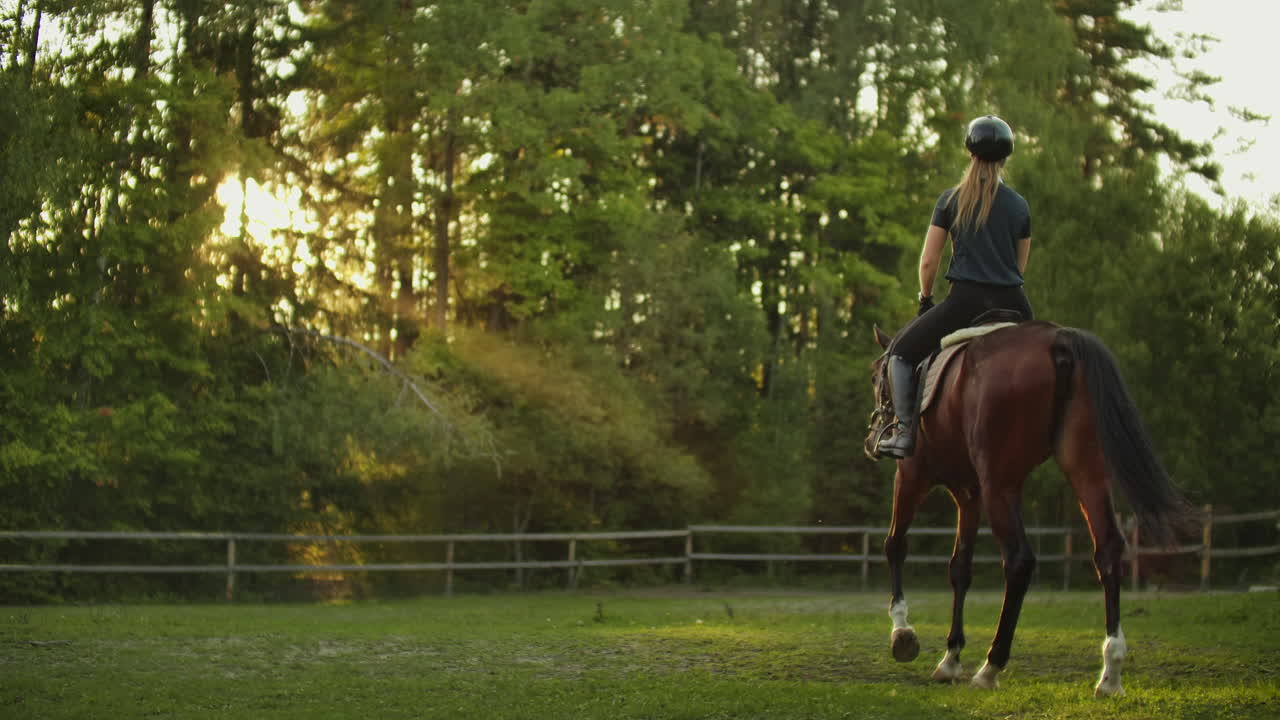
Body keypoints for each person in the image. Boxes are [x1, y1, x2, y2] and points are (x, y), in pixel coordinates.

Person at [877, 115, 1034, 459]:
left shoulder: (950, 201)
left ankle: (904, 435)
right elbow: (1019, 266)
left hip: (966, 303)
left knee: (900, 354)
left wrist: (926, 298)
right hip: (1015, 304)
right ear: (1006, 157)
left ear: (970, 153)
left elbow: (929, 262)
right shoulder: (1020, 206)